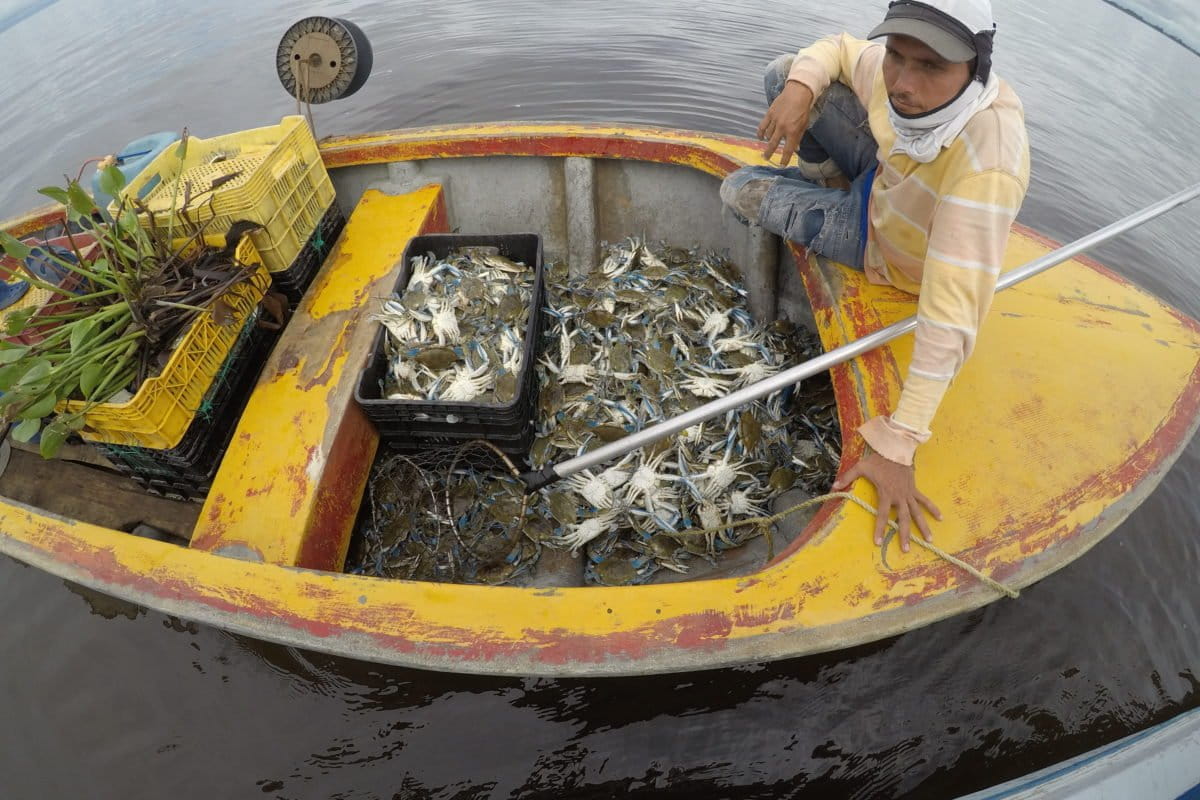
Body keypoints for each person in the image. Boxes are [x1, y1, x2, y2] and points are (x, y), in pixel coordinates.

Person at [721, 0, 1029, 553]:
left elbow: (952, 313)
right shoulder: (900, 84)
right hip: (884, 179)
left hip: (887, 250)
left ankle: (834, 209)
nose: (904, 83)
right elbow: (839, 48)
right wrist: (798, 89)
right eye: (896, 56)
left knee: (739, 187)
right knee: (785, 73)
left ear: (975, 68)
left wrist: (898, 445)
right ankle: (833, 184)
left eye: (931, 66)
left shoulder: (987, 164)